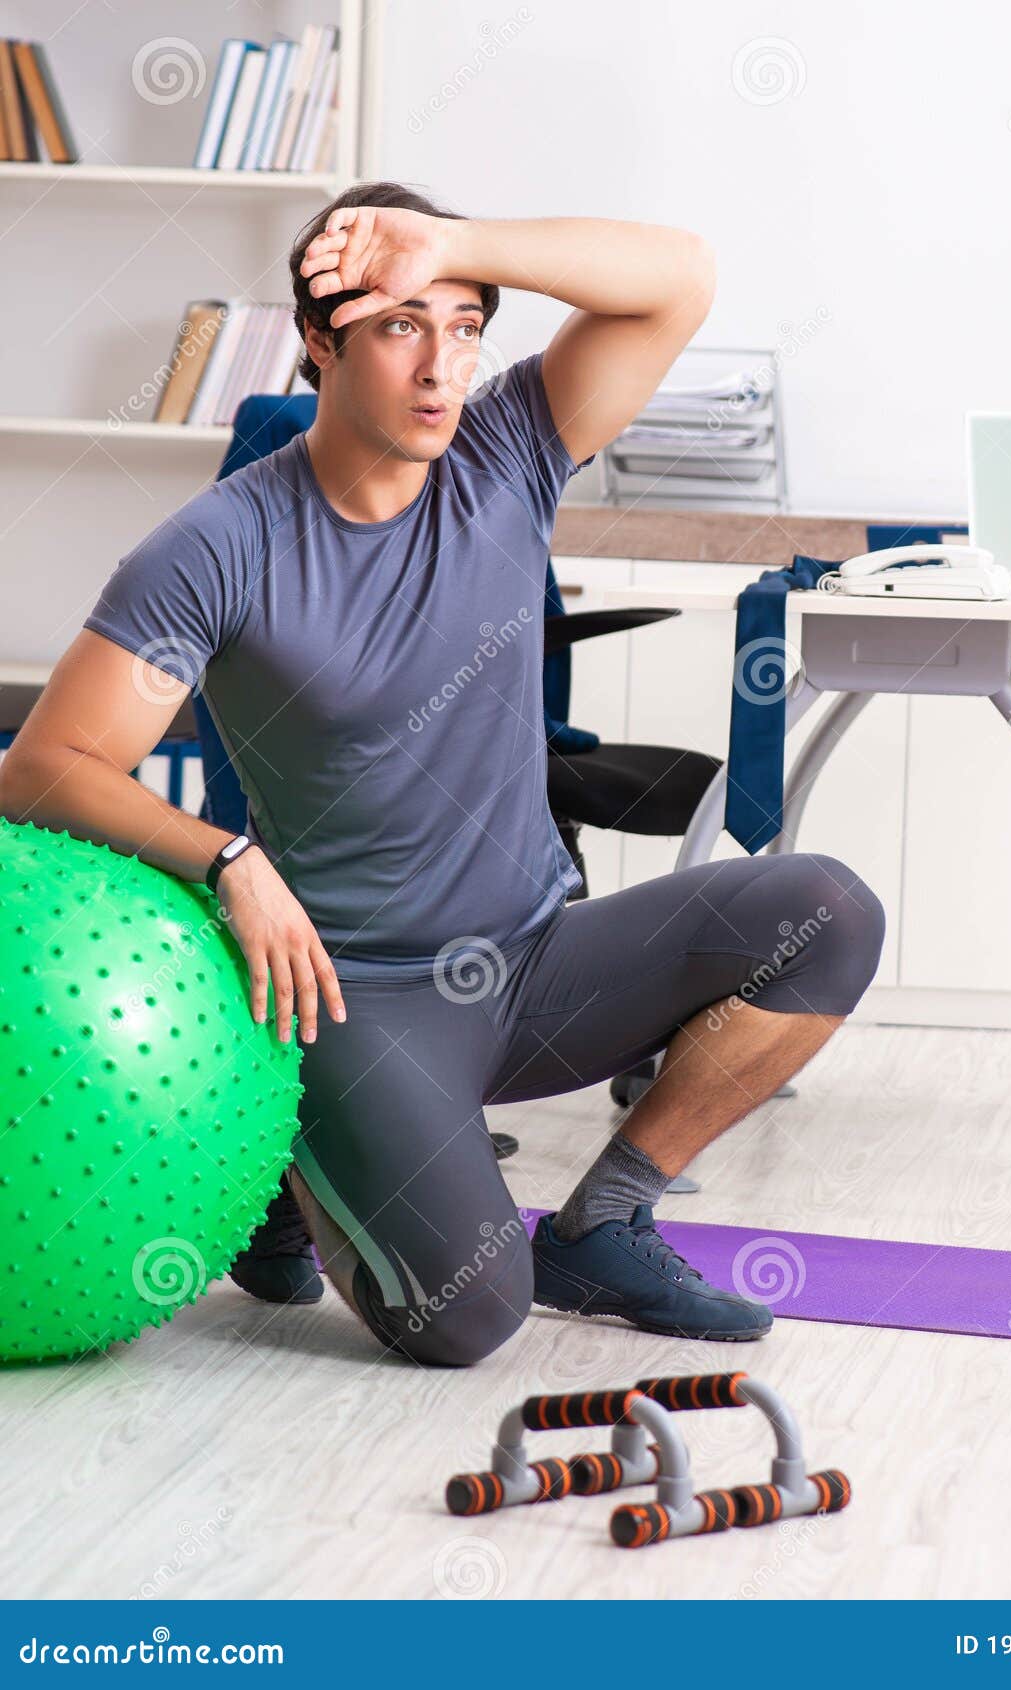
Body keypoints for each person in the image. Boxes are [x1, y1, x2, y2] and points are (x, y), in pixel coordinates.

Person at [0, 182, 885, 1364]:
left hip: (530, 962)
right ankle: (287, 1146)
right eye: (403, 325)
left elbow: (680, 275)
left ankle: (607, 1219)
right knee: (469, 1318)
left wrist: (452, 248)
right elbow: (45, 767)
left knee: (825, 913)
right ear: (320, 343)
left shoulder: (508, 453)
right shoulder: (219, 547)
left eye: (465, 326)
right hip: (345, 998)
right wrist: (231, 860)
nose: (442, 367)